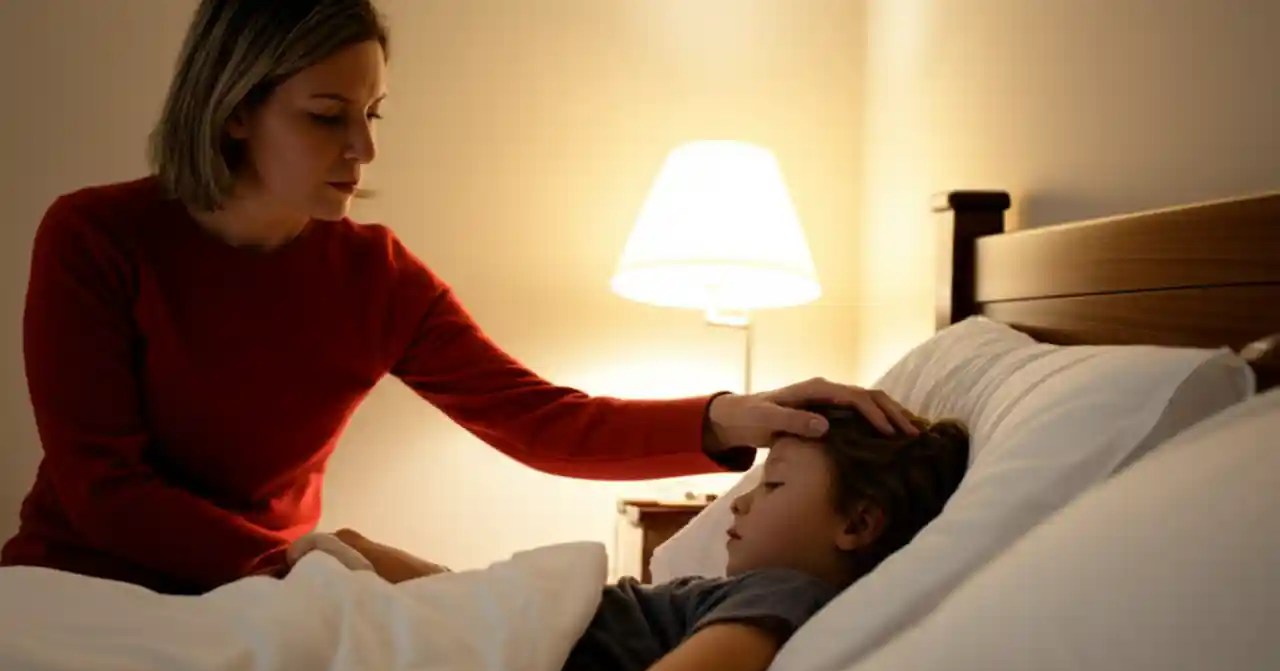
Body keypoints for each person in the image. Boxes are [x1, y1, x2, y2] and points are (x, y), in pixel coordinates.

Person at [0, 0, 918, 596]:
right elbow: (103, 488)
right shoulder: (96, 236)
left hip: (276, 598)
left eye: (373, 115)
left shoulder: (375, 276)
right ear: (235, 108)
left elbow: (544, 421)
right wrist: (306, 563)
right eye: (328, 116)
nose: (363, 151)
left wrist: (732, 417)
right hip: (85, 581)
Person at [337, 405, 970, 671]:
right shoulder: (733, 589)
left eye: (773, 485)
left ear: (856, 524)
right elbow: (526, 613)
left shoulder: (782, 595)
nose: (740, 505)